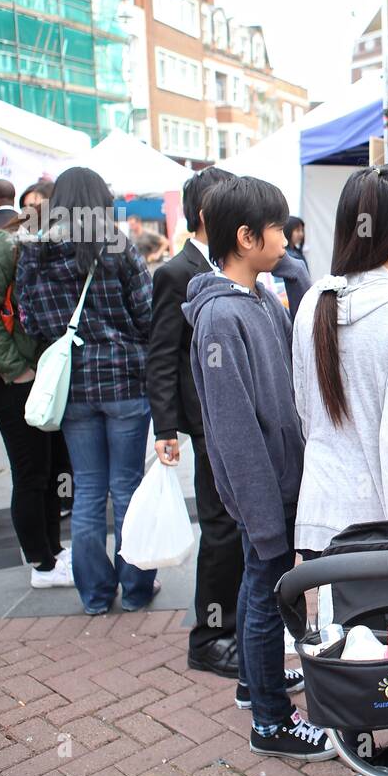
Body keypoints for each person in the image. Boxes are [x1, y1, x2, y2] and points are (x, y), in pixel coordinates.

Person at [184, 175, 331, 760]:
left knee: (263, 591)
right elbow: (233, 428)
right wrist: (264, 510)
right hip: (262, 489)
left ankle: (256, 682)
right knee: (268, 594)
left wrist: (290, 268)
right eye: (278, 229)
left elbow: (301, 330)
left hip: (280, 481)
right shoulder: (222, 317)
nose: (288, 238)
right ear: (247, 238)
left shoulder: (260, 297)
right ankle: (271, 720)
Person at [16, 167, 156, 616]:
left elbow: (31, 322)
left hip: (72, 386)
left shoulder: (34, 251)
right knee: (129, 487)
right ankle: (135, 588)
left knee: (89, 490)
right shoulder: (117, 244)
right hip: (125, 381)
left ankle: (95, 595)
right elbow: (146, 315)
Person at [292, 165, 388, 558]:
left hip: (321, 521)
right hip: (385, 534)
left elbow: (306, 414)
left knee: (336, 622)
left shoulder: (313, 301)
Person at [148, 166, 245, 679]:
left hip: (237, 417)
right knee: (221, 527)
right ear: (209, 213)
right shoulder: (175, 272)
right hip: (207, 421)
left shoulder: (238, 263)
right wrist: (166, 427)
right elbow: (162, 354)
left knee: (238, 525)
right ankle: (210, 636)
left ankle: (240, 627)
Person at [0, 183, 73, 589]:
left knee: (52, 470)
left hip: (45, 377)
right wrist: (16, 369)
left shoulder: (50, 245)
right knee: (31, 473)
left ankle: (54, 552)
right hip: (17, 381)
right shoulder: (5, 245)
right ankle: (41, 563)